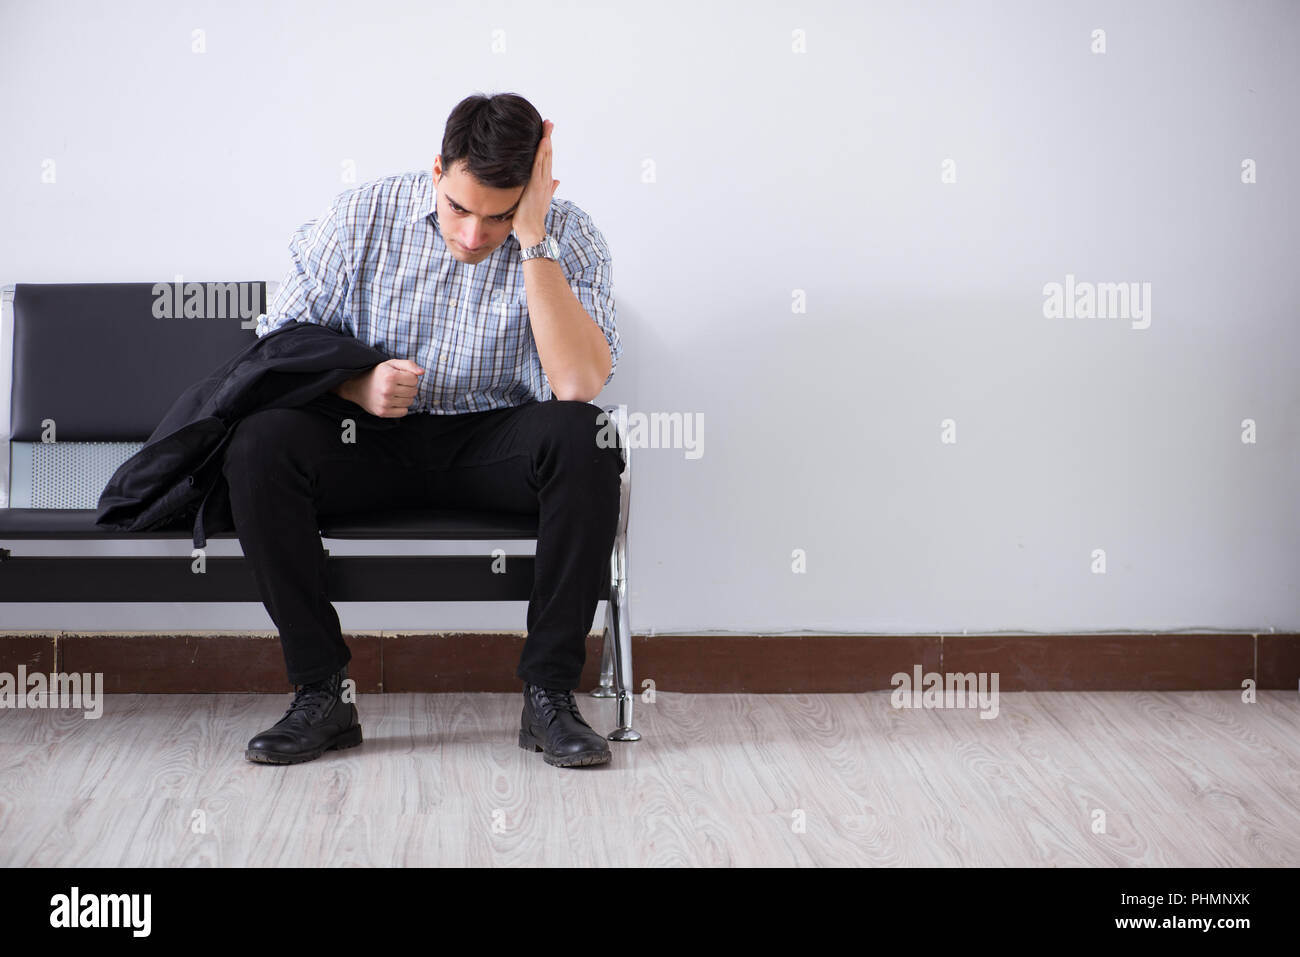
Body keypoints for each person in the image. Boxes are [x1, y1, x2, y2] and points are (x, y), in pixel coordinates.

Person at [223, 92, 624, 769]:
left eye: (498, 216)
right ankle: (322, 693)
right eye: (459, 208)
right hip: (366, 440)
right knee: (259, 444)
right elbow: (275, 346)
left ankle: (549, 698)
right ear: (437, 170)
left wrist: (533, 239)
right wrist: (355, 383)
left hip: (495, 445)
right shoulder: (361, 216)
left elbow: (579, 385)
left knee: (588, 436)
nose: (472, 236)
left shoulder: (568, 236)